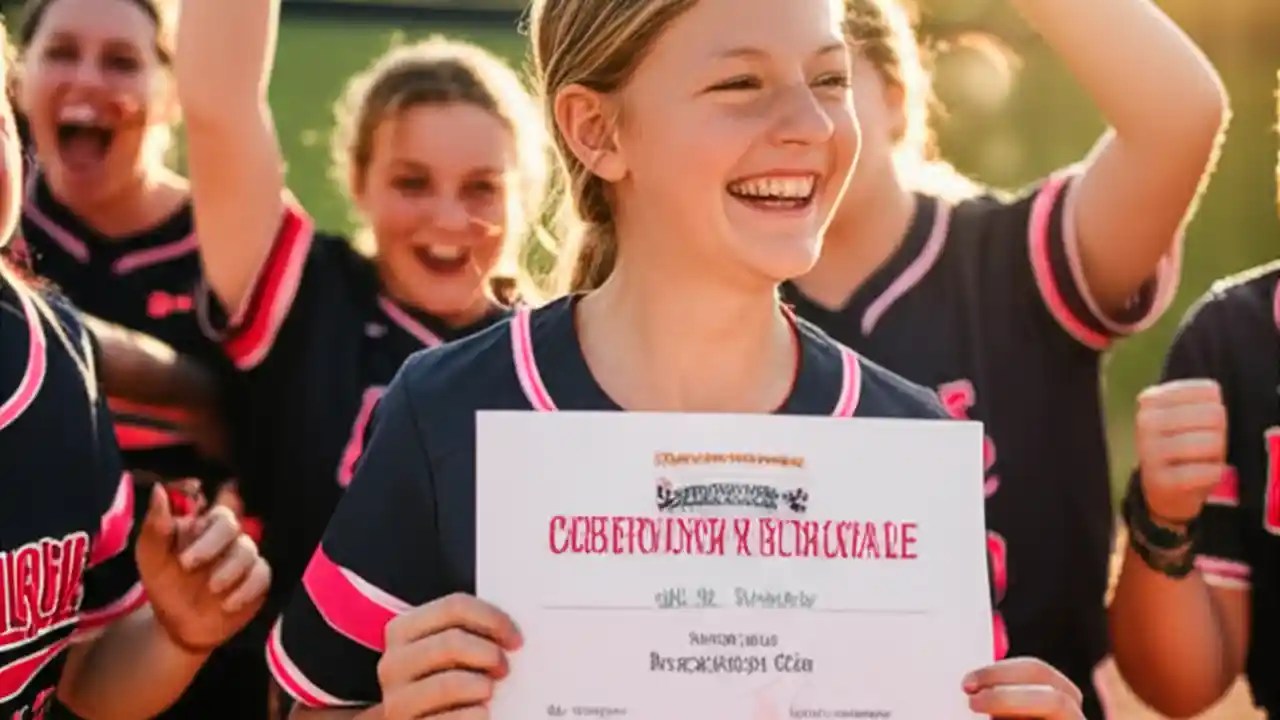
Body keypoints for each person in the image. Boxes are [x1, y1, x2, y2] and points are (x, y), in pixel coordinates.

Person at [268, 1, 1087, 718]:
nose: (809, 123)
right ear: (597, 130)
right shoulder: (451, 409)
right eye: (741, 85)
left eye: (831, 79)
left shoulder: (903, 440)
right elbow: (315, 708)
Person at [779, 1, 1227, 714]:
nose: (793, 122)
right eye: (749, 88)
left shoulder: (1014, 264)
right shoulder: (706, 309)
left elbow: (1180, 115)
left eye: (827, 80)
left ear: (895, 101)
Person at [175, 0, 549, 712]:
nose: (447, 218)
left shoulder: (555, 347)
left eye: (481, 187)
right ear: (358, 181)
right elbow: (217, 104)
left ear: (526, 194)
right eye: (412, 182)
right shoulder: (307, 298)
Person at [0, 24, 271, 718]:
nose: (89, 81)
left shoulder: (56, 353)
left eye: (122, 61)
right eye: (61, 53)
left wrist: (180, 633)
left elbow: (85, 670)